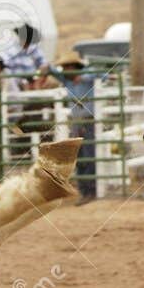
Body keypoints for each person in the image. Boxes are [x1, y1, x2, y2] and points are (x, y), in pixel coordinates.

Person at [54, 55, 98, 202]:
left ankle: (90, 191)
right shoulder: (68, 81)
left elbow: (103, 74)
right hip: (77, 122)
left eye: (68, 67)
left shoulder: (87, 78)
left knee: (89, 155)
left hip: (88, 120)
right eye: (64, 68)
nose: (65, 70)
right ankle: (84, 190)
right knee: (79, 157)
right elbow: (53, 72)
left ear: (75, 67)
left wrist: (84, 76)